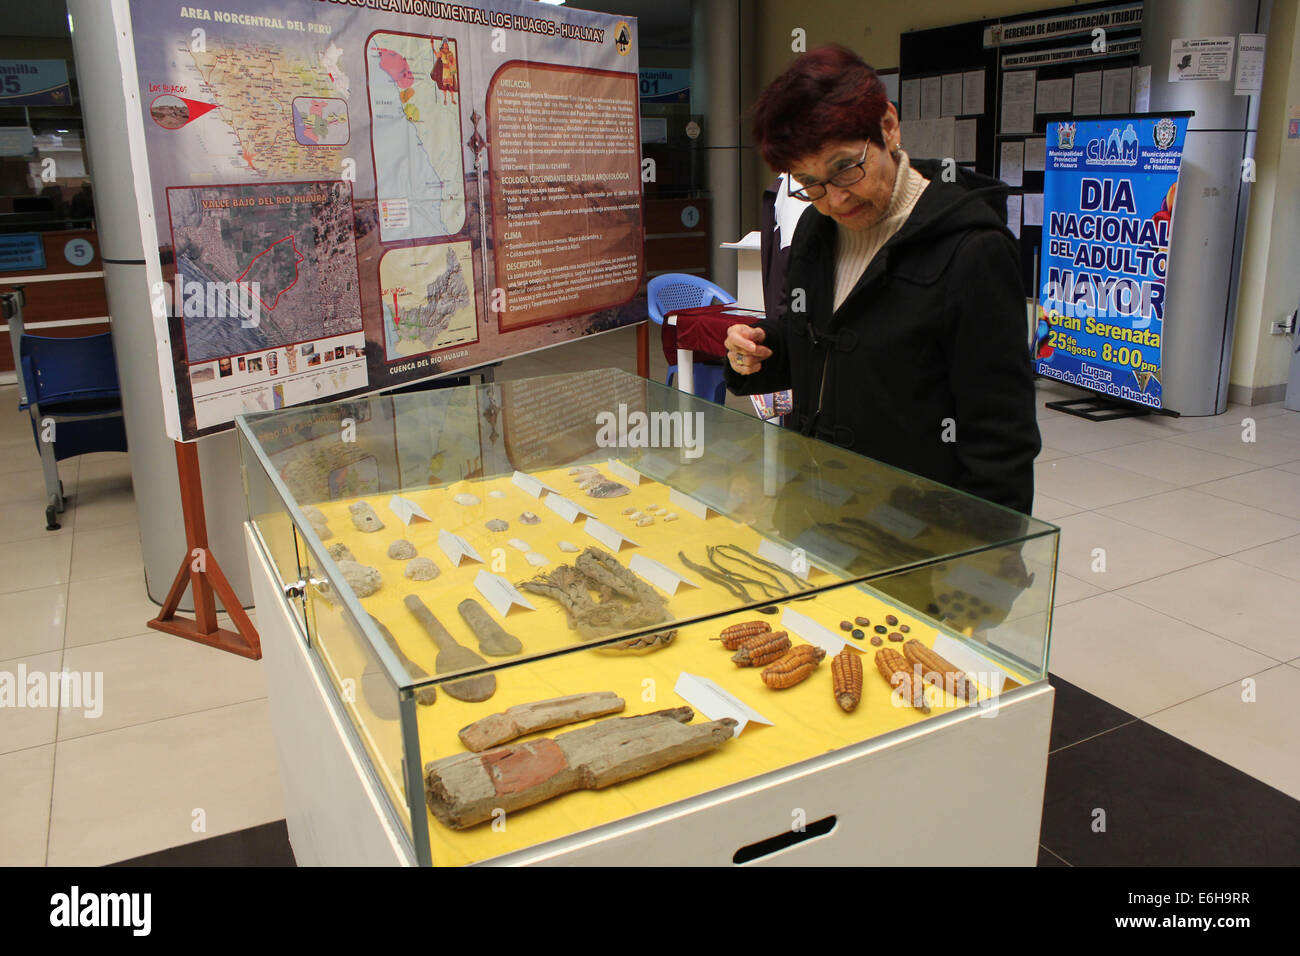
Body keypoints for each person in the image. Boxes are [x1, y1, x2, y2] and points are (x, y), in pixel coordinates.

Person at [726, 45, 1040, 515]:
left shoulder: (972, 250)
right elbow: (813, 344)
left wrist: (980, 574)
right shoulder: (817, 230)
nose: (832, 199)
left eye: (844, 168)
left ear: (888, 127)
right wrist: (760, 347)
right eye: (809, 183)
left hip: (916, 528)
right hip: (819, 505)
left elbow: (1000, 439)